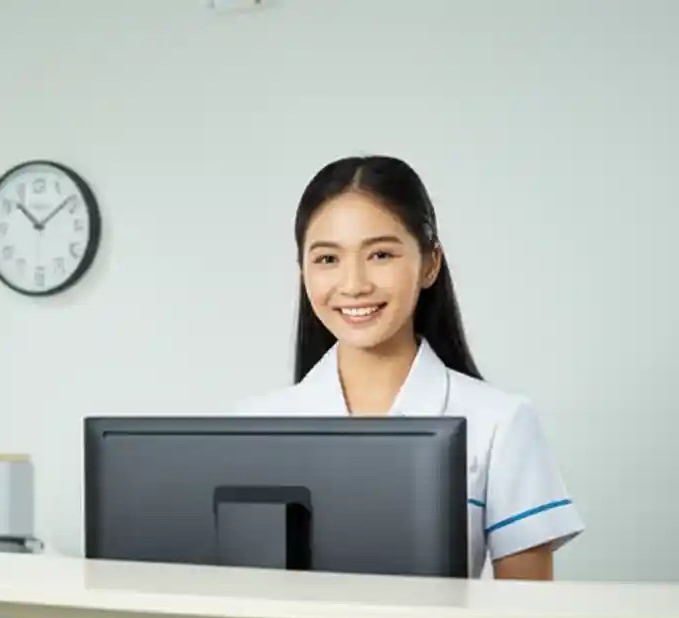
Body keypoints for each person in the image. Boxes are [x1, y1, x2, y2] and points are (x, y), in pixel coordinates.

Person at [236, 155, 584, 580]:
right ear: (303, 271)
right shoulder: (254, 427)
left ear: (430, 263)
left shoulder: (499, 423)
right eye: (328, 259)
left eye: (380, 254)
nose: (354, 284)